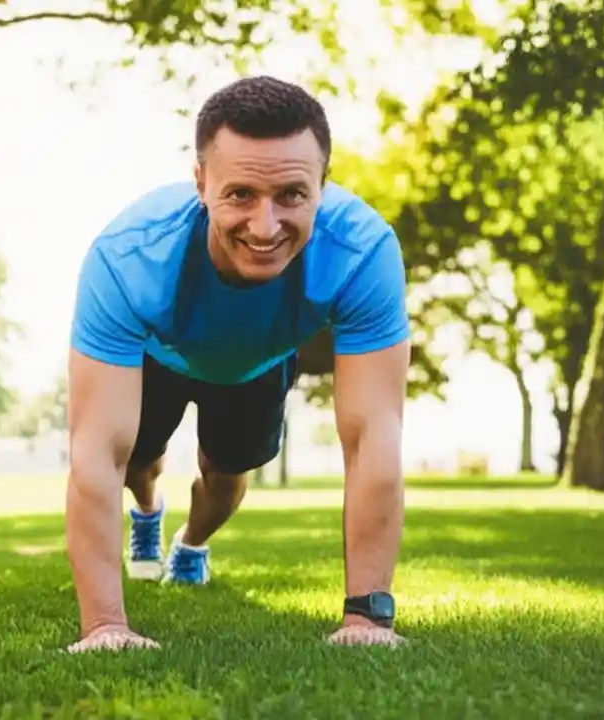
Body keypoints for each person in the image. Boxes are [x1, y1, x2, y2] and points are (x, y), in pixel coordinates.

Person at [63, 75, 411, 653]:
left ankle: (191, 545)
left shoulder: (363, 252)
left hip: (257, 364)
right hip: (159, 354)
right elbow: (95, 448)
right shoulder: (128, 257)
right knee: (134, 465)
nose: (266, 226)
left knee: (224, 484)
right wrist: (105, 627)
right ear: (200, 183)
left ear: (323, 184)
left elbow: (374, 432)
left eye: (292, 196)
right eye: (241, 195)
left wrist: (367, 620)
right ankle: (147, 513)